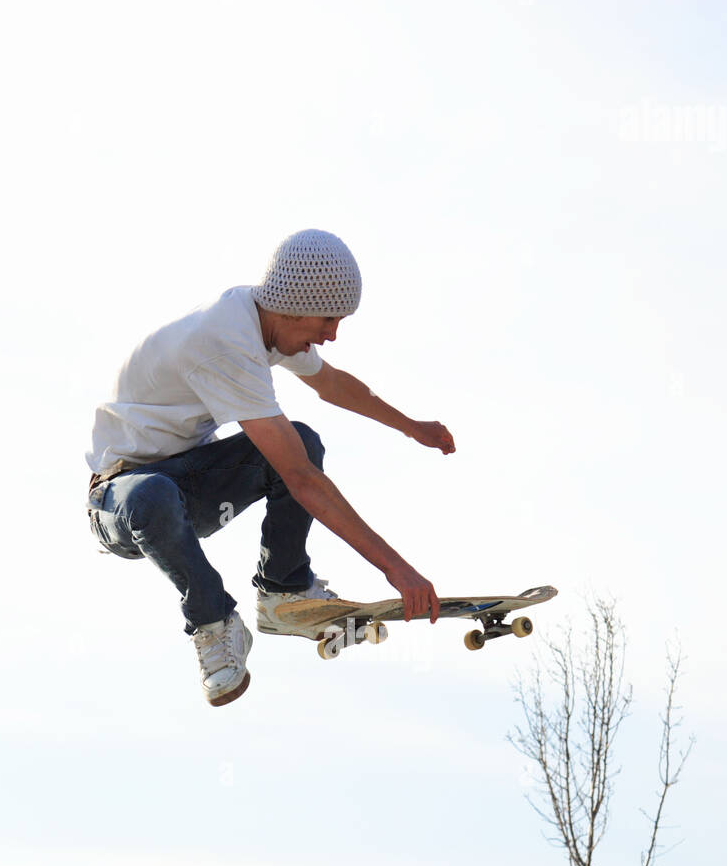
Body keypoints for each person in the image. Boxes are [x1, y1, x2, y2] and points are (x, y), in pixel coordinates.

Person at [86, 229, 455, 706]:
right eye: (328, 320)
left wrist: (411, 426)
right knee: (168, 490)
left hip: (188, 484)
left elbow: (334, 385)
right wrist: (397, 569)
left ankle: (284, 590)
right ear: (295, 305)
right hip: (119, 502)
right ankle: (212, 621)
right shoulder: (225, 344)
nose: (331, 335)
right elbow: (302, 481)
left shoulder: (265, 322)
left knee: (300, 439)